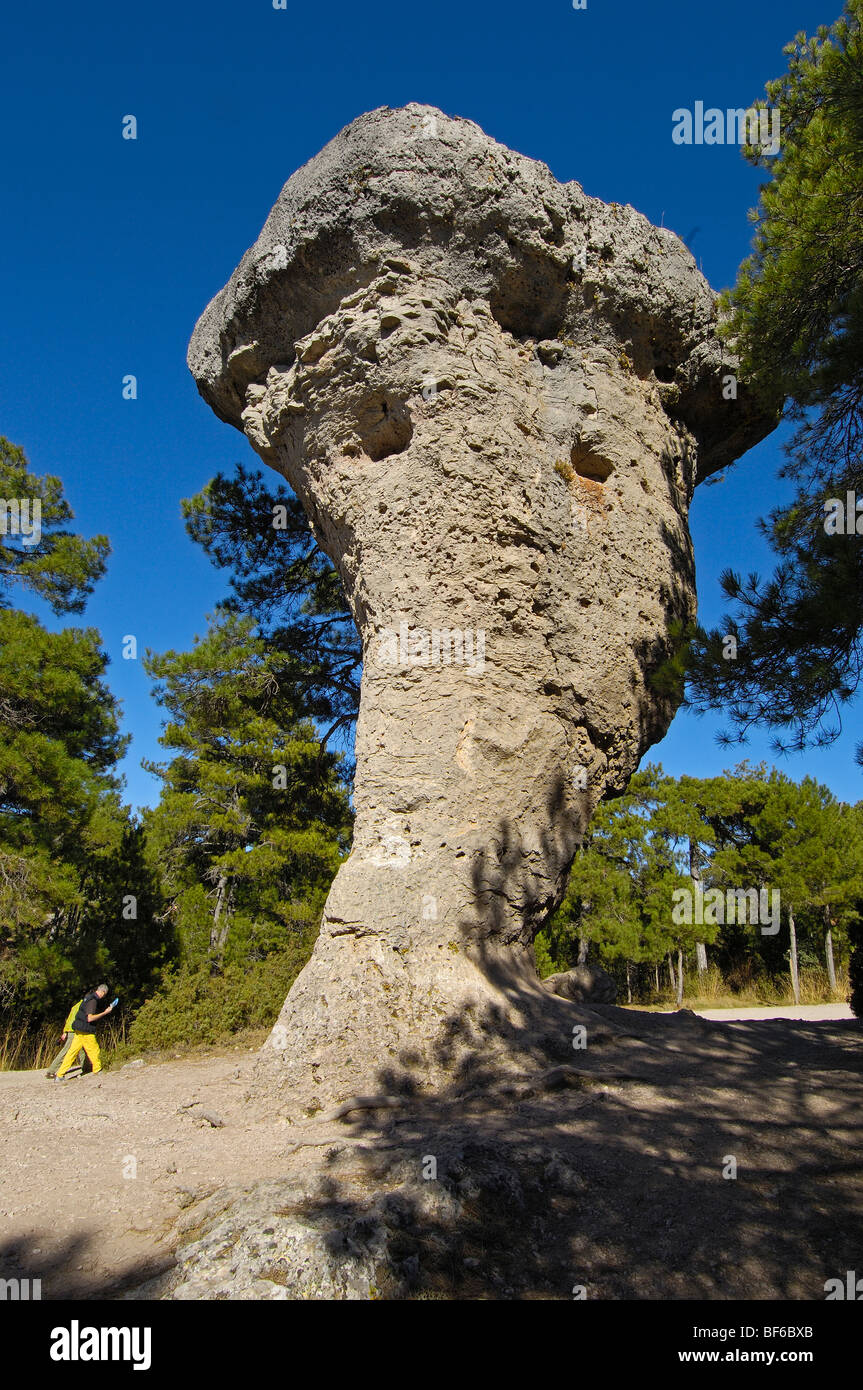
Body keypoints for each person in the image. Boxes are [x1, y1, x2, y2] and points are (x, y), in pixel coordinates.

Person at [54, 984, 118, 1080]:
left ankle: (59, 1075)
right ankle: (98, 1069)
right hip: (86, 1030)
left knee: (71, 1053)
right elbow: (90, 1018)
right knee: (94, 1050)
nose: (104, 996)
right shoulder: (93, 1001)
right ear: (103, 992)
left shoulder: (88, 997)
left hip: (78, 1030)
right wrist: (105, 1012)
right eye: (105, 994)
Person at [45, 996, 89, 1078]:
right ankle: (51, 1071)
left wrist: (65, 1031)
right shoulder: (84, 1006)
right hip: (74, 1030)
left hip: (71, 1030)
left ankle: (86, 1068)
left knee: (82, 1049)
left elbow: (69, 1020)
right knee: (67, 1051)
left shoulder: (76, 1006)